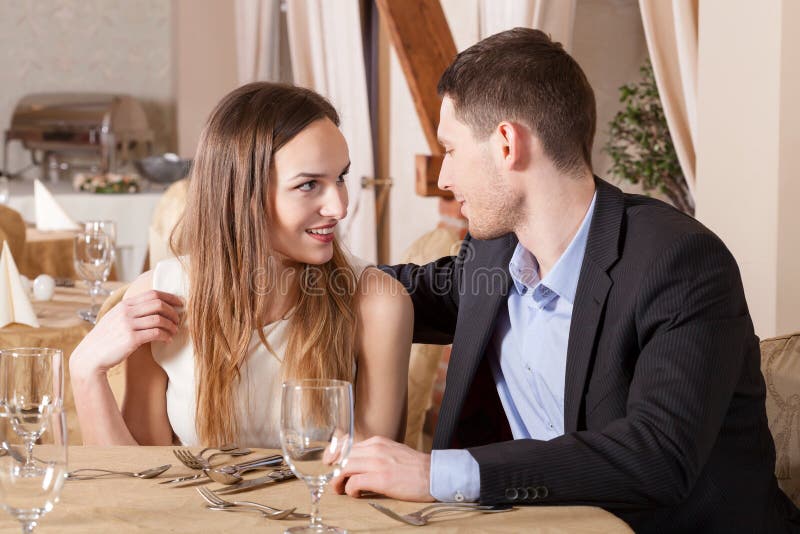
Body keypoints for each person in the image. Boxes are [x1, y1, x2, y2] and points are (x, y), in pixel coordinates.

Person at [332, 28, 800, 532]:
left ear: (507, 143)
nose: (444, 178)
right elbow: (403, 289)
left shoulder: (681, 262)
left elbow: (658, 456)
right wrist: (286, 255)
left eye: (449, 149)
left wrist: (433, 472)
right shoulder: (495, 254)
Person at [69, 82, 412, 448]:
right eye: (309, 184)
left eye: (340, 177)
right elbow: (141, 479)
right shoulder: (163, 298)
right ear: (240, 195)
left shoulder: (378, 303)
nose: (339, 208)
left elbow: (368, 475)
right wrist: (85, 371)